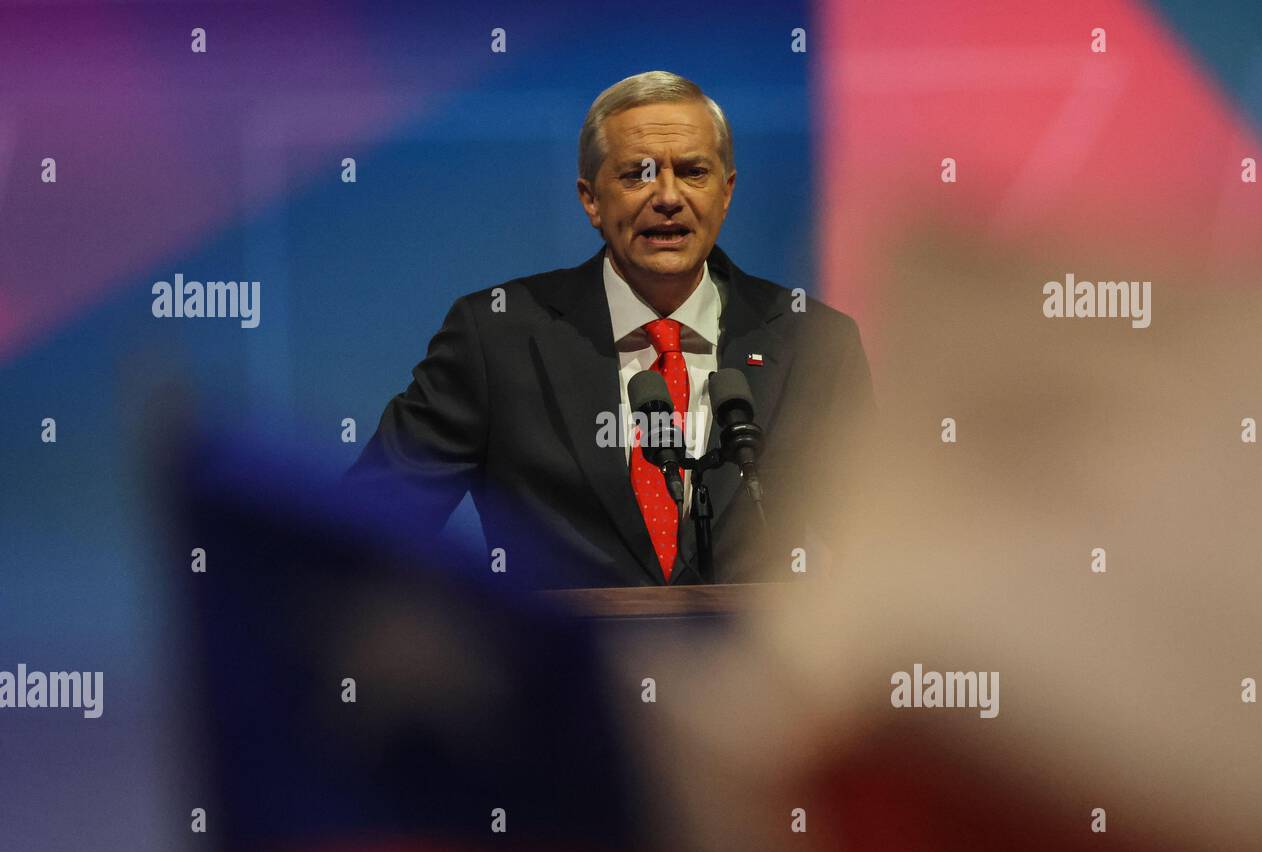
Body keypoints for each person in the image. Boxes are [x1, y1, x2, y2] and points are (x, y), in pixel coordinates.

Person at [348, 71, 874, 588]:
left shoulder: (814, 342)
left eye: (693, 172)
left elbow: (875, 548)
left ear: (726, 191)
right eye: (638, 174)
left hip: (752, 673)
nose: (667, 197)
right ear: (590, 199)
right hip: (565, 670)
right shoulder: (496, 337)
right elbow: (370, 528)